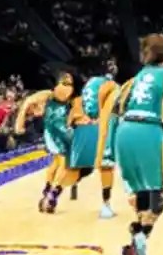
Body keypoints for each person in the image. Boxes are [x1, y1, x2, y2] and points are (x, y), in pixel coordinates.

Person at [108, 34, 163, 255]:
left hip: (124, 130)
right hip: (147, 130)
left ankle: (137, 249)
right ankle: (137, 242)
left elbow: (119, 106)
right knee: (157, 199)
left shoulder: (139, 75)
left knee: (142, 195)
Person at [13, 71, 80, 214]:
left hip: (63, 130)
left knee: (57, 162)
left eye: (70, 84)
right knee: (65, 162)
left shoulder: (68, 101)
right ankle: (53, 194)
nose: (68, 87)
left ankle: (48, 191)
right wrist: (20, 121)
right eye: (65, 83)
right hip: (53, 131)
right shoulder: (48, 95)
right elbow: (27, 102)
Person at [76, 64, 120, 218]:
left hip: (86, 123)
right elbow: (109, 97)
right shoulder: (108, 83)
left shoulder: (88, 84)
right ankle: (106, 205)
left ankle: (56, 190)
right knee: (107, 164)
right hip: (104, 122)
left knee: (86, 164)